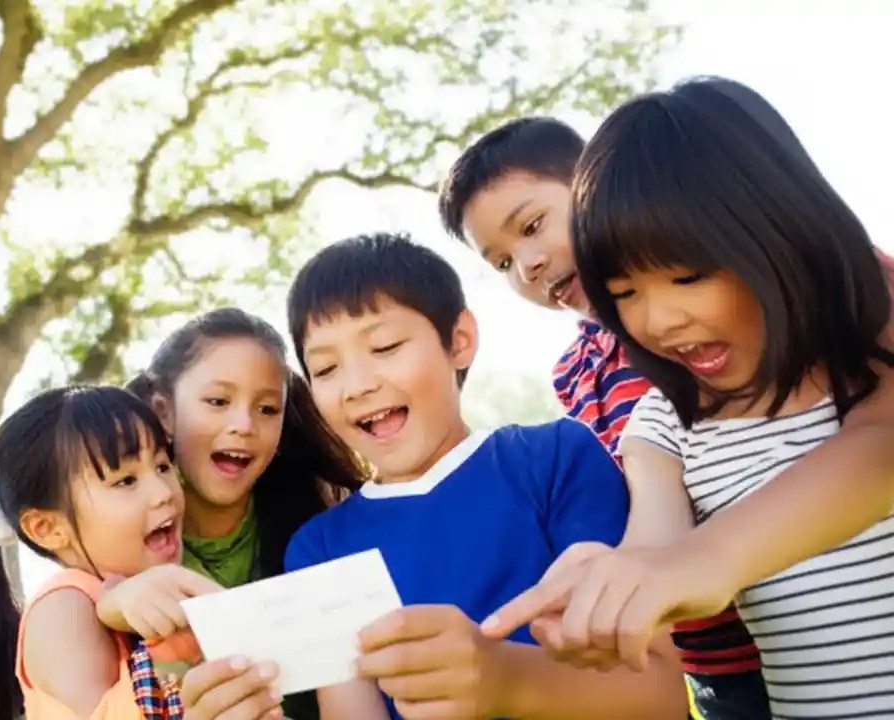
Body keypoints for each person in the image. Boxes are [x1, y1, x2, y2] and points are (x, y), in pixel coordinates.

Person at [480, 77, 894, 717]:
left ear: (778, 229)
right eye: (625, 292)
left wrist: (707, 559)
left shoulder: (870, 340)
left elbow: (880, 447)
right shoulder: (662, 424)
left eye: (688, 276)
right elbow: (657, 546)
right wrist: (610, 580)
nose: (660, 320)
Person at [438, 116, 765, 717]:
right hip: (714, 659)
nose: (528, 266)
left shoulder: (715, 307)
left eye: (533, 227)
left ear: (598, 182)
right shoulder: (576, 375)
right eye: (502, 262)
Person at [282, 232, 687, 719]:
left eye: (385, 346)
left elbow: (658, 693)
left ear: (459, 340)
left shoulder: (556, 458)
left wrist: (505, 679)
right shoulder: (319, 549)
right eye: (325, 369)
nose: (357, 386)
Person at [121, 307, 366, 720]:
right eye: (218, 401)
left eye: (267, 409)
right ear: (163, 412)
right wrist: (116, 598)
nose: (244, 424)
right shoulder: (127, 549)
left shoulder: (317, 538)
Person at [0, 385, 217, 720]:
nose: (162, 492)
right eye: (125, 480)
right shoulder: (62, 605)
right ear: (47, 528)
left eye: (163, 466)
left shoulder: (140, 596)